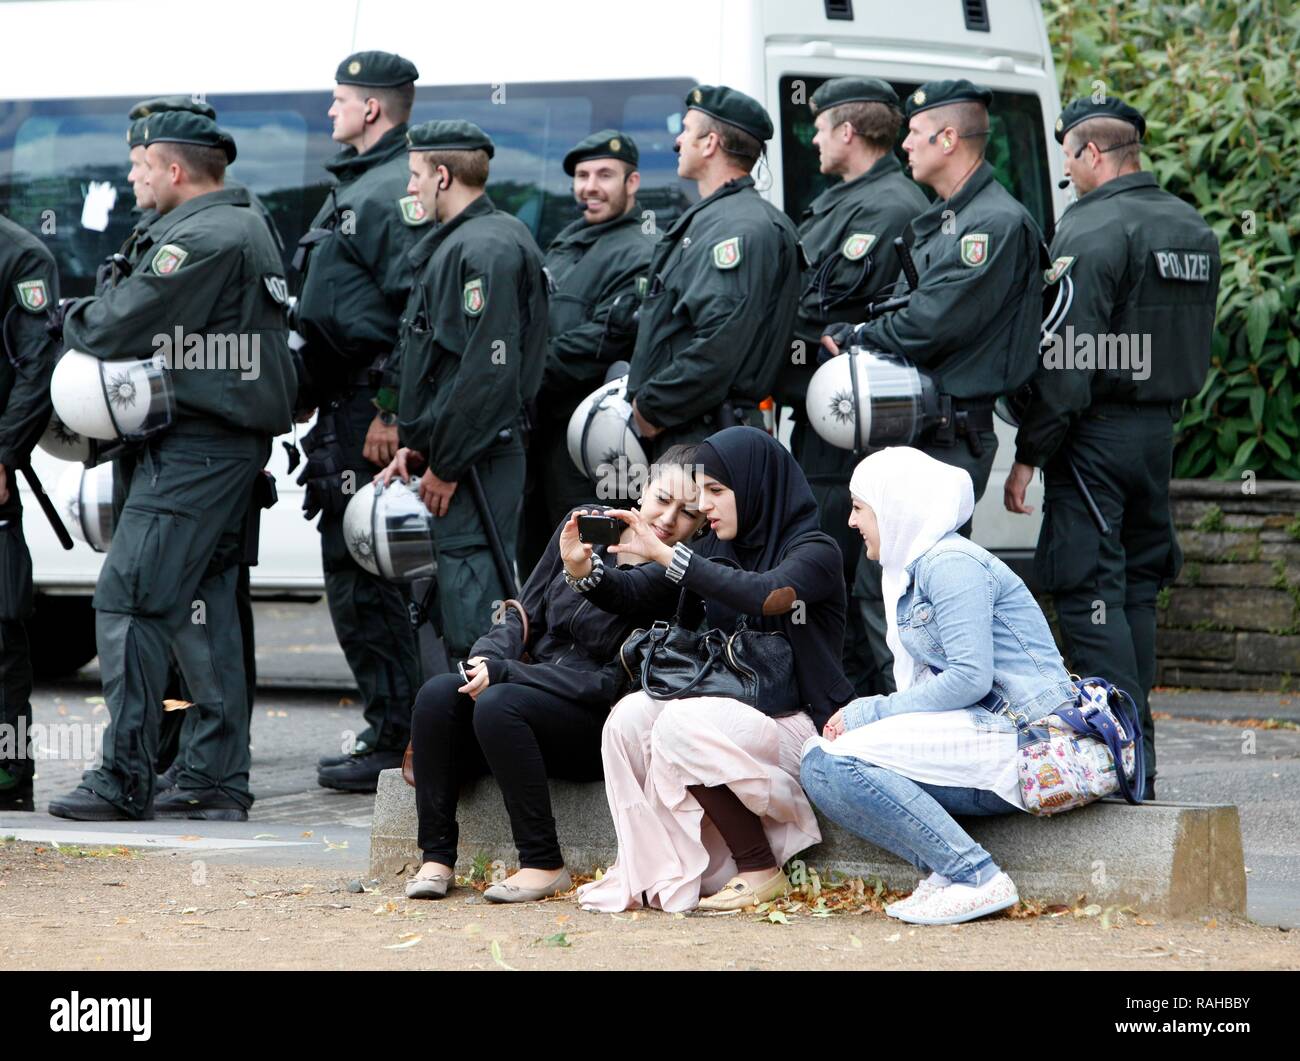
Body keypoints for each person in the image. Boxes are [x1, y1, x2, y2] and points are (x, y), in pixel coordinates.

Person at [47, 110, 295, 821]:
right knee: (202, 607)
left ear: (174, 169)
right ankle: (211, 777)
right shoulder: (238, 223)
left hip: (195, 448)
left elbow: (120, 321)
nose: (131, 177)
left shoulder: (206, 235)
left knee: (129, 596)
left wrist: (75, 315)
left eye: (139, 166)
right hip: (210, 443)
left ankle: (124, 776)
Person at [1003, 97, 1221, 800]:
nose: (1065, 171)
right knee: (1137, 589)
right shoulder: (1192, 226)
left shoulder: (1093, 227)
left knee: (1088, 588)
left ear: (1092, 153)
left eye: (1067, 157)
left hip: (1096, 432)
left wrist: (1032, 449)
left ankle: (1124, 764)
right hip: (1159, 432)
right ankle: (1143, 762)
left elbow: (1066, 360)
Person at [569, 427, 855, 913]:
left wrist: (669, 554)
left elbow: (766, 594)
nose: (705, 505)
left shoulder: (816, 552)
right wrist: (584, 570)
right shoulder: (716, 548)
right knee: (630, 717)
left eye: (717, 492)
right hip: (729, 715)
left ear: (756, 486)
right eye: (703, 491)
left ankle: (759, 867)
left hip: (799, 722)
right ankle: (656, 869)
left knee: (679, 724)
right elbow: (637, 592)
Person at [405, 446, 704, 902]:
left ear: (701, 525)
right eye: (663, 499)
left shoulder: (675, 579)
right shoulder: (584, 525)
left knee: (499, 703)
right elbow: (524, 615)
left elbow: (607, 684)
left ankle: (543, 863)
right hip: (527, 695)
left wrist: (508, 675)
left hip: (591, 722)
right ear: (643, 489)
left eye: (688, 513)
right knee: (438, 694)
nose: (668, 518)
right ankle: (437, 857)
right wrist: (486, 658)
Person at [823, 79, 1045, 689]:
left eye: (916, 137)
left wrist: (862, 333)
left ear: (948, 139)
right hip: (915, 429)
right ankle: (894, 726)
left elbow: (932, 320)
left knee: (916, 593)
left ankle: (932, 732)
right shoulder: (950, 218)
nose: (906, 150)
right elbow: (911, 304)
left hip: (948, 435)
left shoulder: (992, 225)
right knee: (880, 587)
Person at [800, 447, 1079, 925]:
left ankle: (975, 875)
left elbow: (970, 679)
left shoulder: (950, 563)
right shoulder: (908, 571)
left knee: (838, 759)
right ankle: (945, 872)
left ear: (895, 506)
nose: (850, 521)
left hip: (1024, 737)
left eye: (859, 507)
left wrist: (873, 711)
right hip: (981, 733)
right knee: (819, 764)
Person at [295, 52, 428, 794]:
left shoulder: (390, 192)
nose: (330, 111)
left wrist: (390, 411)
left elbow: (416, 310)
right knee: (356, 575)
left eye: (339, 100)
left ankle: (400, 736)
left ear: (373, 110)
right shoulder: (359, 183)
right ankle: (393, 728)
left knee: (370, 576)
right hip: (343, 404)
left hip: (370, 411)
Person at [378, 120, 548, 667]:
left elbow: (487, 373)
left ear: (443, 175)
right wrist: (421, 445)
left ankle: (483, 748)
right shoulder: (468, 241)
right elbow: (445, 366)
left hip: (479, 458)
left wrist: (446, 464)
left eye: (415, 175)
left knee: (477, 607)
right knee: (459, 598)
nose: (410, 188)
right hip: (466, 452)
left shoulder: (486, 246)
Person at [779, 76, 928, 698]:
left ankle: (867, 718)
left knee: (844, 585)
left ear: (847, 131)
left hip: (856, 432)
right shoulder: (843, 200)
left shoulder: (890, 206)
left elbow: (837, 310)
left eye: (818, 127)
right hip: (824, 419)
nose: (812, 139)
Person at [625, 86, 800, 456]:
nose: (677, 141)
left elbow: (720, 344)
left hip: (706, 436)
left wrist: (651, 408)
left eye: (686, 130)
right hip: (694, 430)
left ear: (710, 144)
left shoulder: (739, 226)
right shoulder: (717, 217)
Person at [519, 129, 654, 573]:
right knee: (538, 558)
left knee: (591, 560)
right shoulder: (565, 243)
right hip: (541, 428)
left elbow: (602, 342)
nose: (589, 187)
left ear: (631, 183)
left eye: (604, 175)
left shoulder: (641, 249)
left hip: (591, 441)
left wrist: (522, 369)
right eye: (581, 176)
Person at [0, 212, 60, 813]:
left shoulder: (19, 255)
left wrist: (3, 451)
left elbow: (37, 364)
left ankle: (6, 773)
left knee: (1, 624)